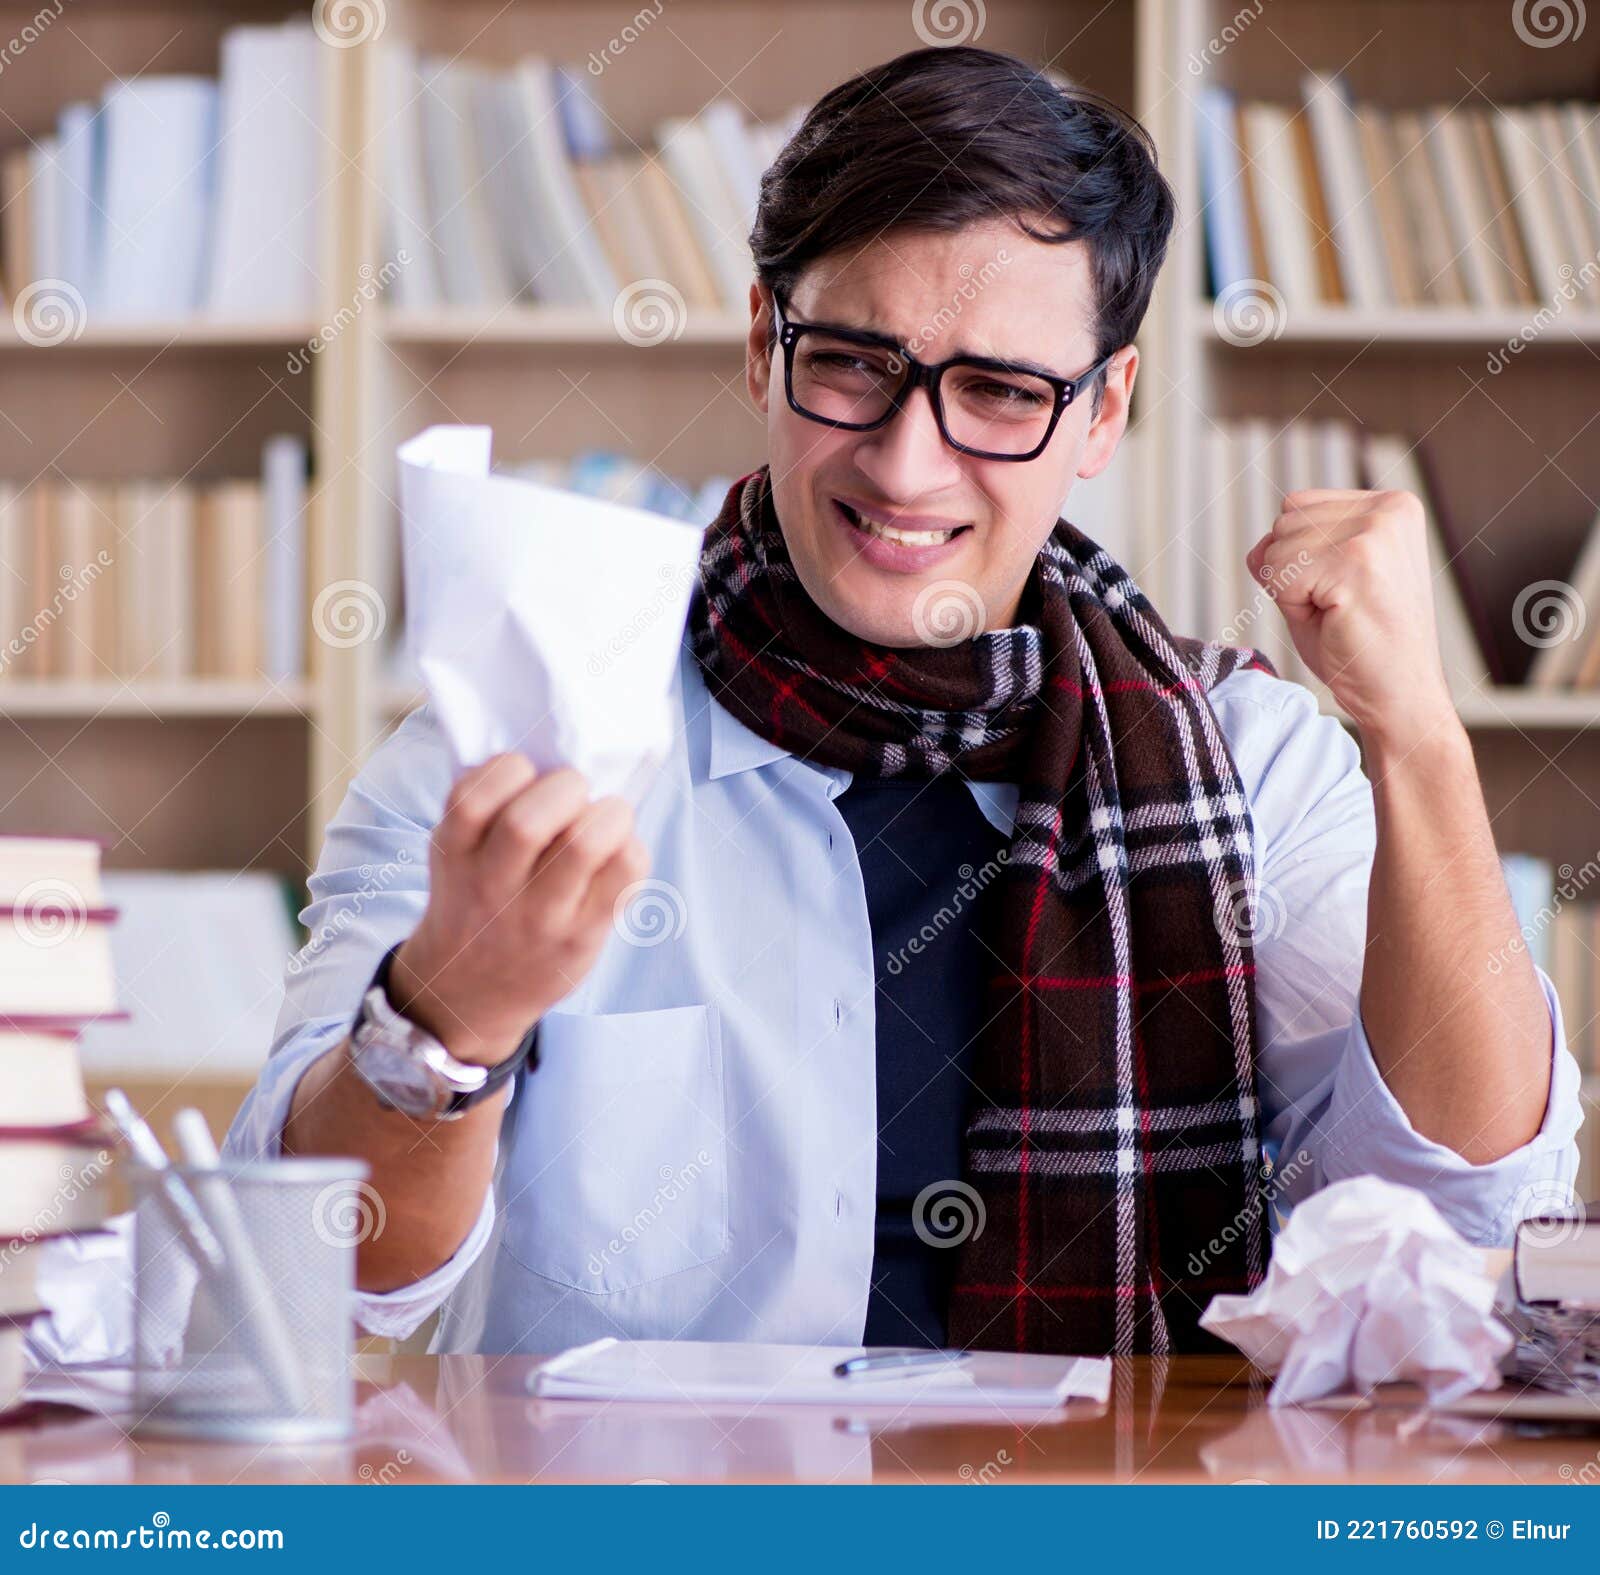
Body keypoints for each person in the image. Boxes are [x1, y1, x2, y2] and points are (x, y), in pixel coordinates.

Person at [228, 46, 1581, 1356]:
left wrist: (1419, 737)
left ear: (1103, 412)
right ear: (765, 345)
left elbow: (1463, 1209)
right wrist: (447, 1021)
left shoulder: (1247, 762)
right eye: (855, 365)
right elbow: (324, 1274)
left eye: (997, 391)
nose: (907, 463)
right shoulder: (509, 751)